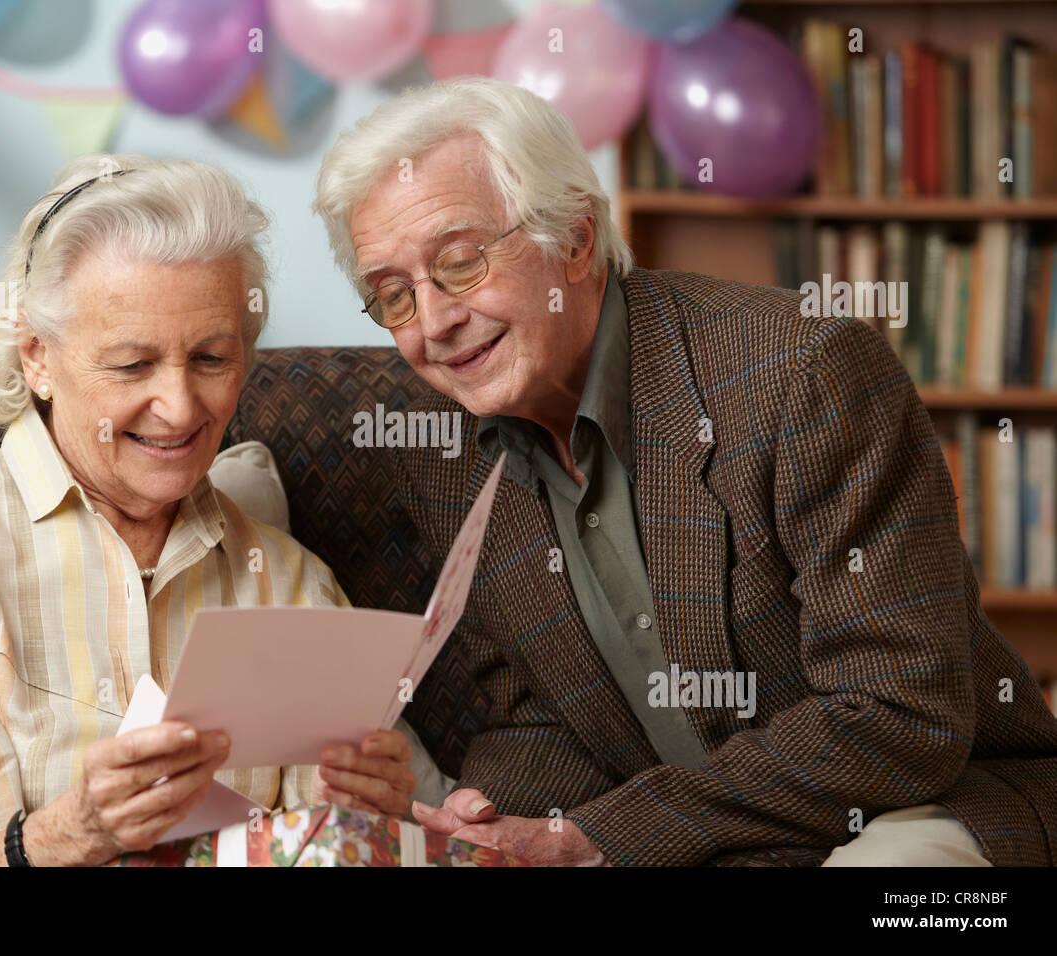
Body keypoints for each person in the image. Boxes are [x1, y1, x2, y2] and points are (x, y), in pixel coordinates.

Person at [313, 77, 1057, 866]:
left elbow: (900, 714)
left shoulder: (801, 371)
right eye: (392, 295)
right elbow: (543, 716)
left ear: (575, 236)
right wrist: (490, 825)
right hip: (695, 835)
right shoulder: (444, 455)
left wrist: (605, 836)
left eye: (459, 263)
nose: (433, 322)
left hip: (913, 805)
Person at [0, 155, 417, 867]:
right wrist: (67, 835)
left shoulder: (292, 583)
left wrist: (371, 815)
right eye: (132, 366)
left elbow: (323, 842)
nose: (180, 406)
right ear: (38, 356)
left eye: (211, 358)